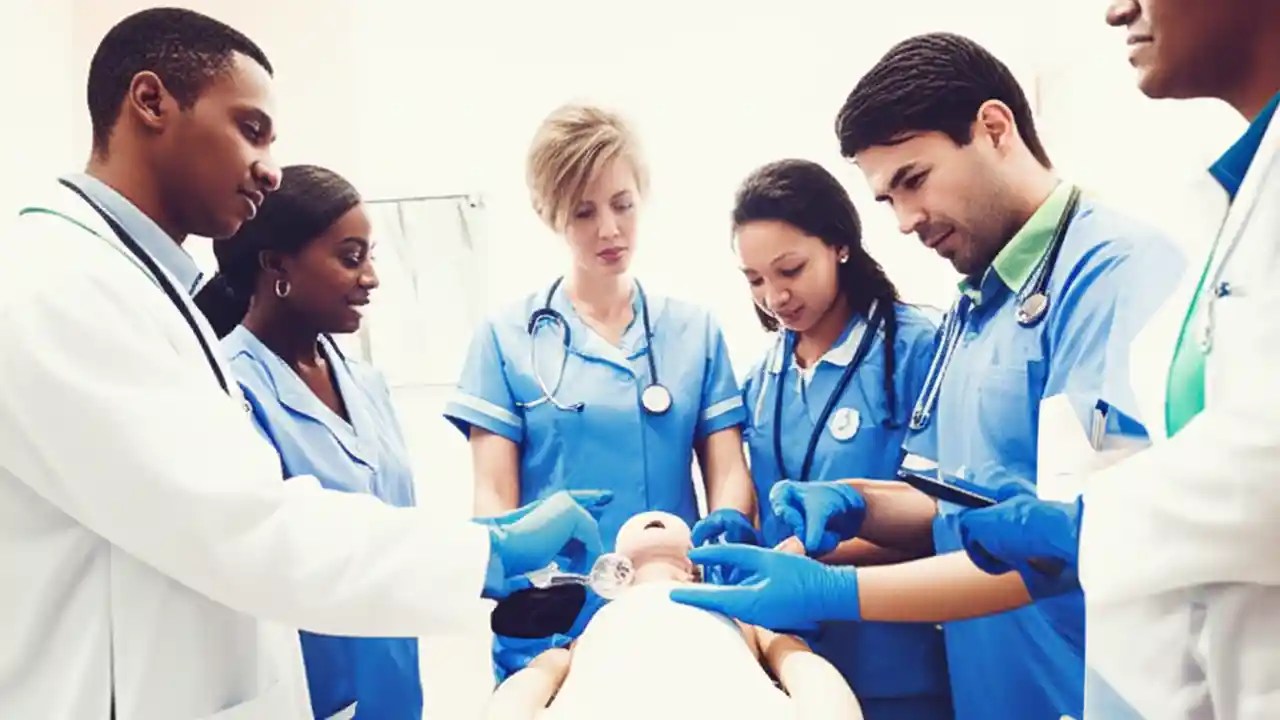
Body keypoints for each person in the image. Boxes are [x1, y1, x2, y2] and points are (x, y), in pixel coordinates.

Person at [0, 9, 605, 718]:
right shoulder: (56, 282)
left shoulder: (140, 285)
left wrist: (474, 546)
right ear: (151, 101)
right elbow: (240, 524)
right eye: (250, 129)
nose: (269, 166)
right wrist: (479, 555)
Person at [671, 32, 1186, 720]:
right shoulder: (970, 315)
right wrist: (857, 500)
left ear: (994, 128)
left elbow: (1074, 541)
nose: (908, 220)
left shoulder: (1111, 273)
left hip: (1079, 689)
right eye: (888, 199)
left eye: (913, 180)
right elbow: (958, 514)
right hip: (985, 692)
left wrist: (833, 590)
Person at [959, 3, 1280, 717]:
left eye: (912, 180)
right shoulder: (1236, 199)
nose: (1116, 10)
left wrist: (1084, 525)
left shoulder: (1119, 261)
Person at [444, 103, 756, 678]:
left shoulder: (694, 331)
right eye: (582, 212)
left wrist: (727, 535)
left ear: (644, 195)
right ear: (548, 214)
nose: (609, 230)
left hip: (678, 606)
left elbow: (728, 471)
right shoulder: (505, 338)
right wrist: (516, 583)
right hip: (559, 620)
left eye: (623, 204)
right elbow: (492, 493)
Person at [192, 164, 424, 719]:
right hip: (304, 694)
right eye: (350, 257)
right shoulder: (227, 387)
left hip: (395, 682)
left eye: (371, 257)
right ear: (277, 266)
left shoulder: (366, 383)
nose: (370, 277)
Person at [726, 158, 950, 719]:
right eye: (755, 279)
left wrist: (814, 555)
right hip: (793, 670)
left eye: (790, 270)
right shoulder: (762, 378)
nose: (774, 297)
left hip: (896, 663)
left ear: (840, 245)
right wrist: (741, 532)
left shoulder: (914, 351)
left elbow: (946, 518)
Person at [485, 511, 862, 720]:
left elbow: (793, 660)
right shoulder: (597, 623)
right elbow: (541, 675)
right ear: (615, 570)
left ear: (695, 565)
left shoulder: (736, 610)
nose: (653, 518)